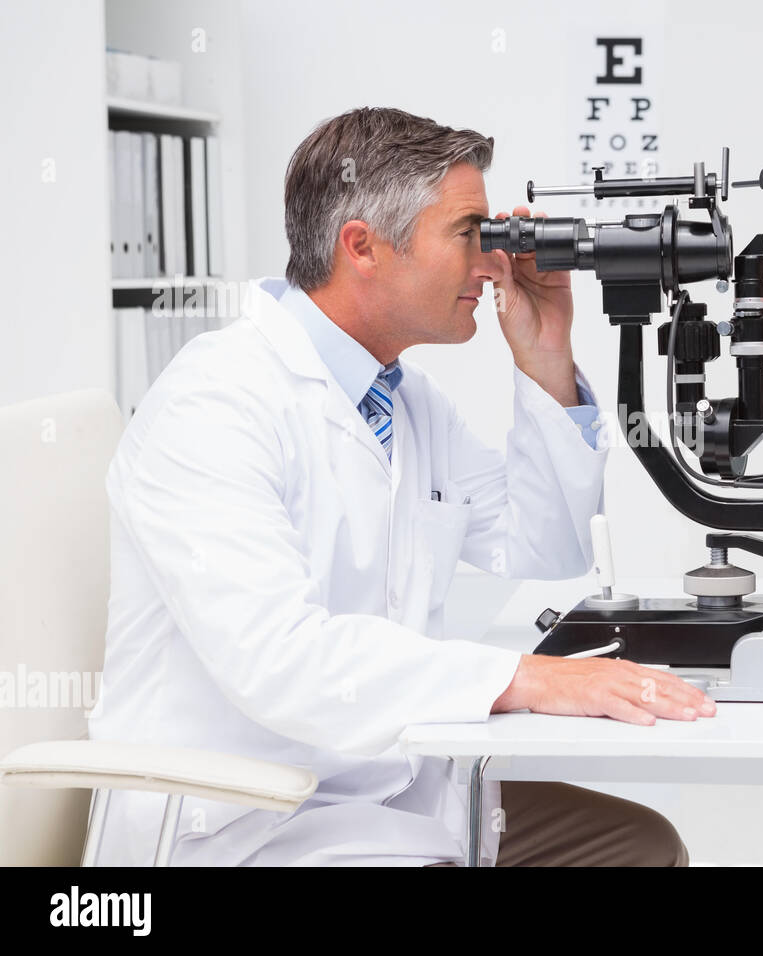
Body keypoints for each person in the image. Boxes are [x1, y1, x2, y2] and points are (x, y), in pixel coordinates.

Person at [88, 107, 714, 867]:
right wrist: (522, 678)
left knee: (639, 847)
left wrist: (546, 354)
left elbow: (543, 545)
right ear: (363, 246)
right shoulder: (214, 404)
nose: (492, 267)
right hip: (247, 821)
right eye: (468, 236)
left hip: (392, 791)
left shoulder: (404, 400)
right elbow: (281, 662)